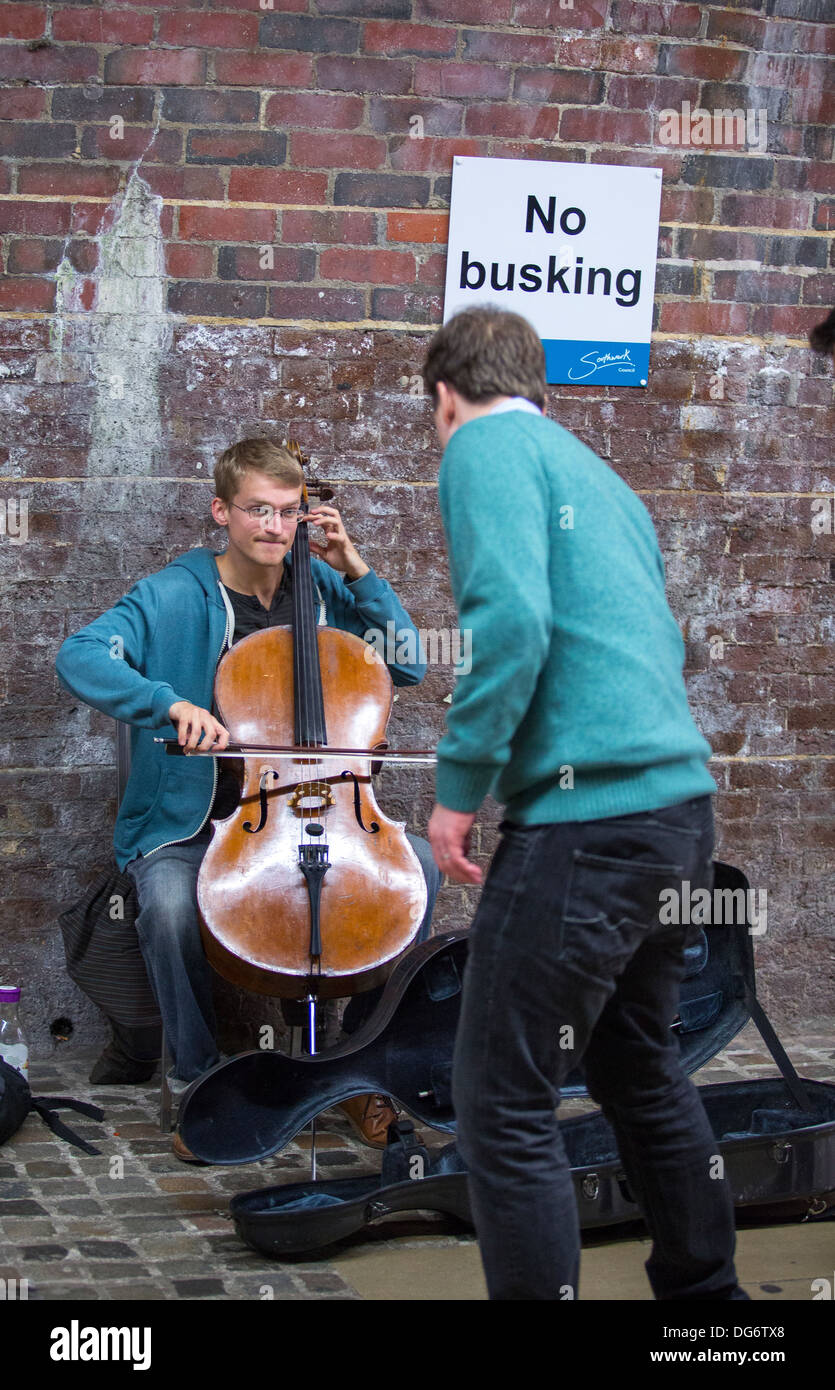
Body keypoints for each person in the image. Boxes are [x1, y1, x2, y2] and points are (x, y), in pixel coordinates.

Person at [423, 306, 748, 1301]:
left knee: (501, 1108)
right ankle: (709, 1306)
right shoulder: (602, 478)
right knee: (639, 1067)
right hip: (675, 817)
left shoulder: (480, 445)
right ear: (538, 381)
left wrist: (455, 791)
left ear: (443, 396)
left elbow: (509, 624)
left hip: (585, 830)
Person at [56, 438, 440, 1154]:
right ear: (222, 512)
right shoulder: (173, 594)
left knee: (416, 872)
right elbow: (79, 654)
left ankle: (351, 1070)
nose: (273, 527)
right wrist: (167, 705)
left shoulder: (322, 591)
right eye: (257, 511)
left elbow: (409, 665)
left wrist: (355, 569)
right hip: (193, 822)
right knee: (169, 906)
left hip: (322, 813)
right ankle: (200, 1081)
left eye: (288, 513)